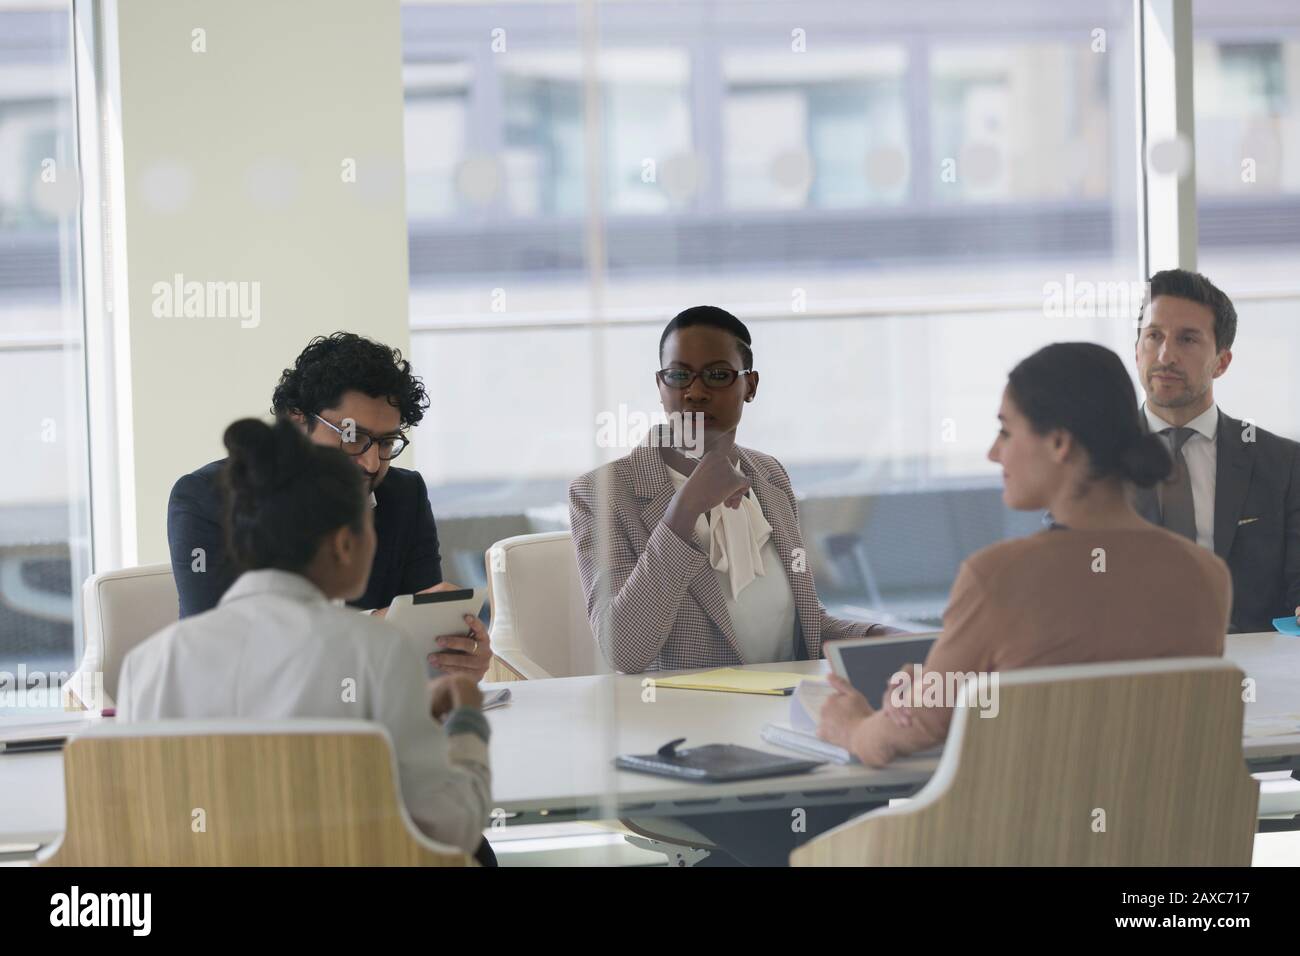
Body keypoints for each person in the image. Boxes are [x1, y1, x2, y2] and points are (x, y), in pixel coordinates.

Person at [818, 342, 1232, 767]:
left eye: (1006, 431)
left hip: (1025, 832)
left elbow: (914, 730)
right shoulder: (1205, 574)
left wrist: (852, 727)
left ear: (1058, 443)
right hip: (1166, 830)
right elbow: (1107, 697)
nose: (994, 453)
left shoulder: (997, 576)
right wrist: (941, 686)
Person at [120, 419, 494, 861]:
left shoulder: (147, 665)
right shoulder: (374, 650)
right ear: (345, 545)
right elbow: (449, 827)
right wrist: (467, 722)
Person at [568, 305, 893, 674]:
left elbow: (802, 625)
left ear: (750, 386)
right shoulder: (603, 493)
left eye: (718, 375)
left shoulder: (769, 475)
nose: (695, 392)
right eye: (678, 376)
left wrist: (876, 636)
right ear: (660, 387)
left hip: (784, 709)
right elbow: (625, 651)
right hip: (684, 718)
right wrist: (683, 510)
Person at [167, 331, 492, 680]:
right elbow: (216, 648)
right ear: (296, 422)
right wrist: (380, 627)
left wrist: (455, 656)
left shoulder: (404, 495)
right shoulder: (207, 499)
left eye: (386, 442)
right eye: (353, 437)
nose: (370, 463)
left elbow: (420, 633)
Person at [1133, 268, 1300, 633]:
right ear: (1136, 351)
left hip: (1253, 674)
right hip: (1128, 674)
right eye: (1154, 336)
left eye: (1187, 340)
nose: (1165, 355)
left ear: (1222, 362)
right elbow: (1063, 578)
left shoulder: (1284, 463)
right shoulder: (1088, 462)